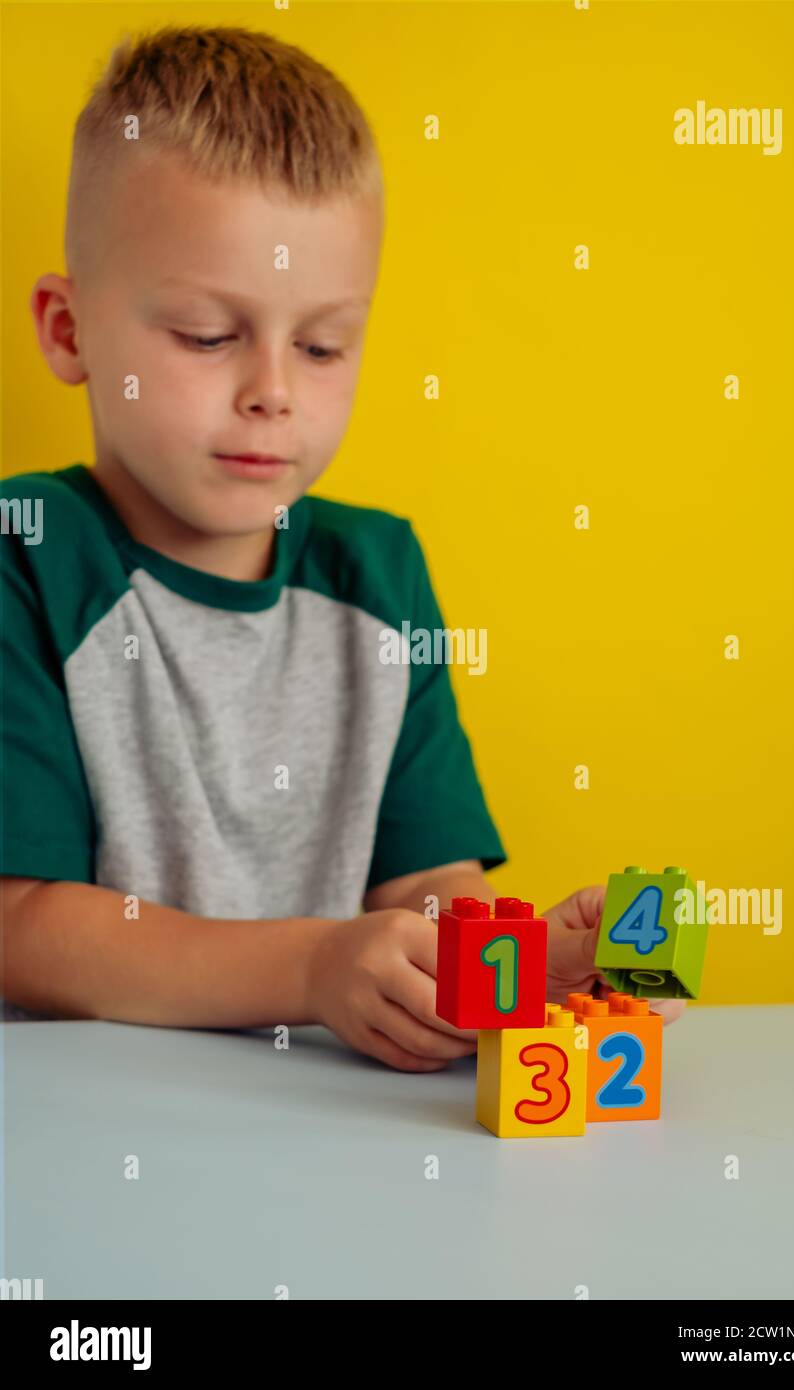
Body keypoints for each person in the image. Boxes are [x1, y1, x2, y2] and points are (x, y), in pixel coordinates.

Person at [0, 25, 685, 1068]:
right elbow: (22, 927)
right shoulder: (28, 553)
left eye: (321, 345)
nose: (273, 388)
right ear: (68, 330)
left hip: (316, 1141)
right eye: (205, 334)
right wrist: (314, 967)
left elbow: (423, 886)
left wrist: (507, 967)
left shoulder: (379, 576)